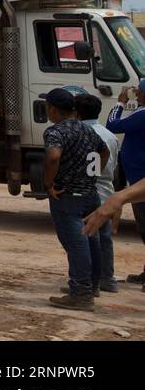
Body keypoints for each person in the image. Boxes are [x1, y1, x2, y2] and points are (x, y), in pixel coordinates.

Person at [41, 87, 110, 309]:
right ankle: (91, 285)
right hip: (91, 194)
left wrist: (48, 184)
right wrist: (92, 174)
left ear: (52, 109)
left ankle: (81, 293)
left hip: (68, 196)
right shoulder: (89, 130)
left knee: (76, 244)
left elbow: (53, 157)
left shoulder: (56, 132)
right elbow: (104, 151)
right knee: (92, 241)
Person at [73, 90, 120, 293]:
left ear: (76, 113)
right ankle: (107, 278)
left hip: (84, 189)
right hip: (105, 188)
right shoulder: (110, 135)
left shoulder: (77, 133)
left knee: (84, 237)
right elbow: (114, 164)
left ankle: (87, 282)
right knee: (105, 237)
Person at [106, 78, 145, 285]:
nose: (136, 93)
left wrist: (120, 103)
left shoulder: (142, 114)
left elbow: (112, 124)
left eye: (140, 91)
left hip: (140, 180)